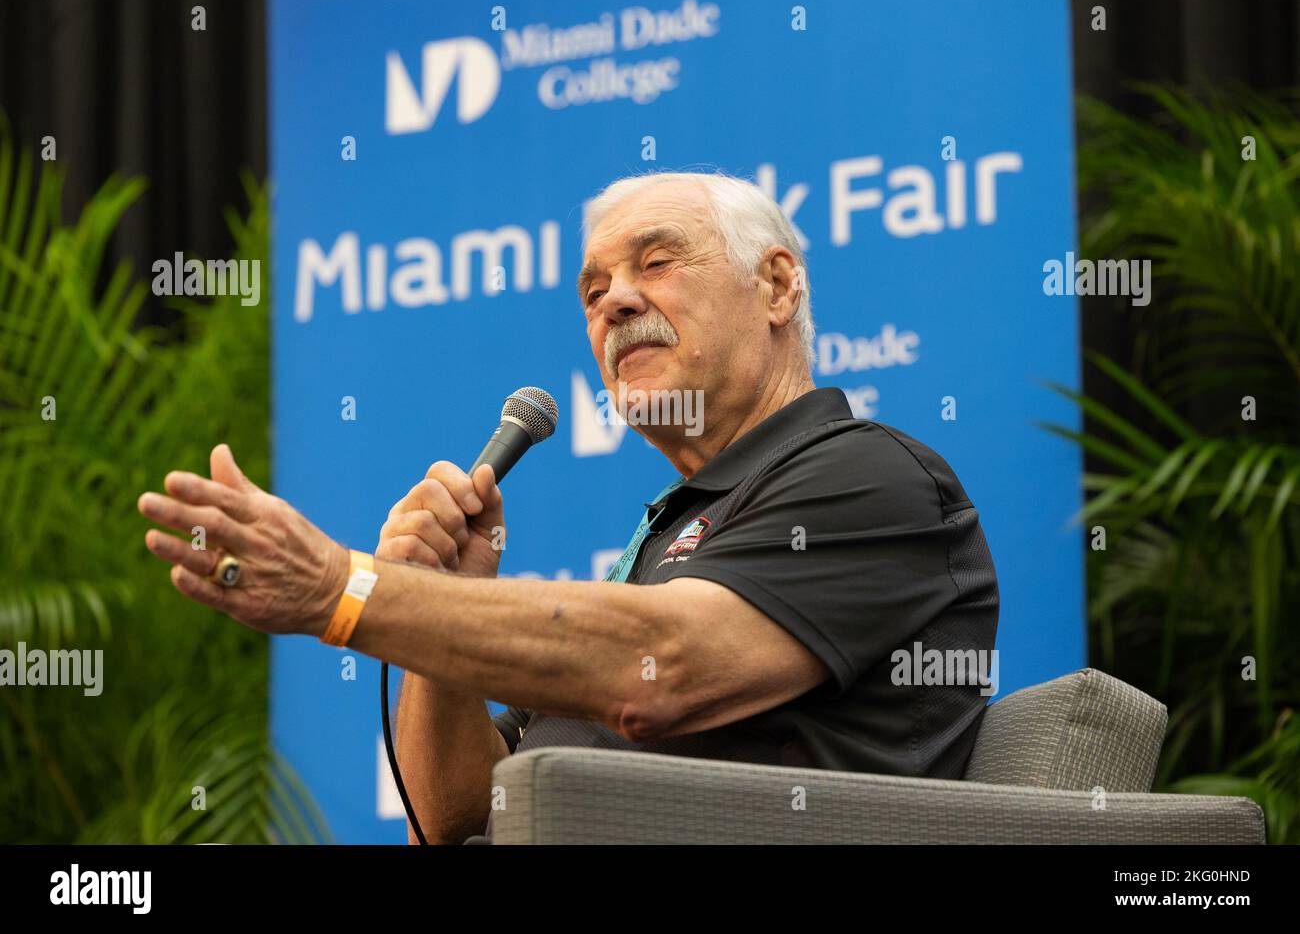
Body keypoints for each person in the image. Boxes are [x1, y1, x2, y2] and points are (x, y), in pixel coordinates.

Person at [138, 171, 999, 845]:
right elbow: (454, 818)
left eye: (656, 264)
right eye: (594, 291)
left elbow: (660, 669)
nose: (617, 301)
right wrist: (446, 608)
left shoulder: (869, 476)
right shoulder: (672, 528)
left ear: (777, 287)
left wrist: (343, 591)